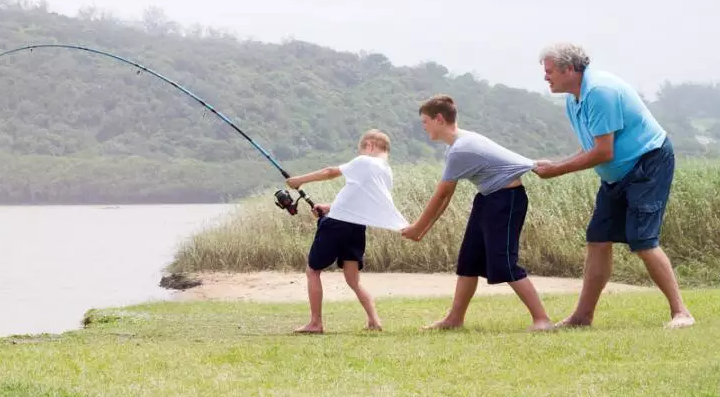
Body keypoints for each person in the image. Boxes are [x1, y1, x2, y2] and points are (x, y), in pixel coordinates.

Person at [533, 43, 694, 329]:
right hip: (615, 175)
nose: (546, 77)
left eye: (549, 72)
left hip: (648, 163)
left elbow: (603, 152)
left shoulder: (599, 92)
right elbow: (593, 147)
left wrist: (557, 169)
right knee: (598, 238)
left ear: (570, 69)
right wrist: (557, 164)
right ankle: (582, 317)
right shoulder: (574, 98)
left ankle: (681, 312)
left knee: (642, 239)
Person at [401, 95, 553, 332]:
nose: (423, 126)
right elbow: (445, 198)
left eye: (425, 121)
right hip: (487, 199)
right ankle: (454, 319)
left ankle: (542, 319)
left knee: (504, 262)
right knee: (469, 261)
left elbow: (442, 195)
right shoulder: (460, 144)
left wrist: (418, 227)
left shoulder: (461, 149)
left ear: (439, 119)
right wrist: (422, 230)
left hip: (506, 200)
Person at [285, 129, 408, 333]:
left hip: (335, 226)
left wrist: (299, 181)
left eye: (361, 150)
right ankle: (374, 321)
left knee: (312, 271)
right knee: (353, 279)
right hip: (356, 227)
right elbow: (358, 198)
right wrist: (329, 207)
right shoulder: (386, 172)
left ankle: (315, 323)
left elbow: (329, 172)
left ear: (369, 146)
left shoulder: (364, 162)